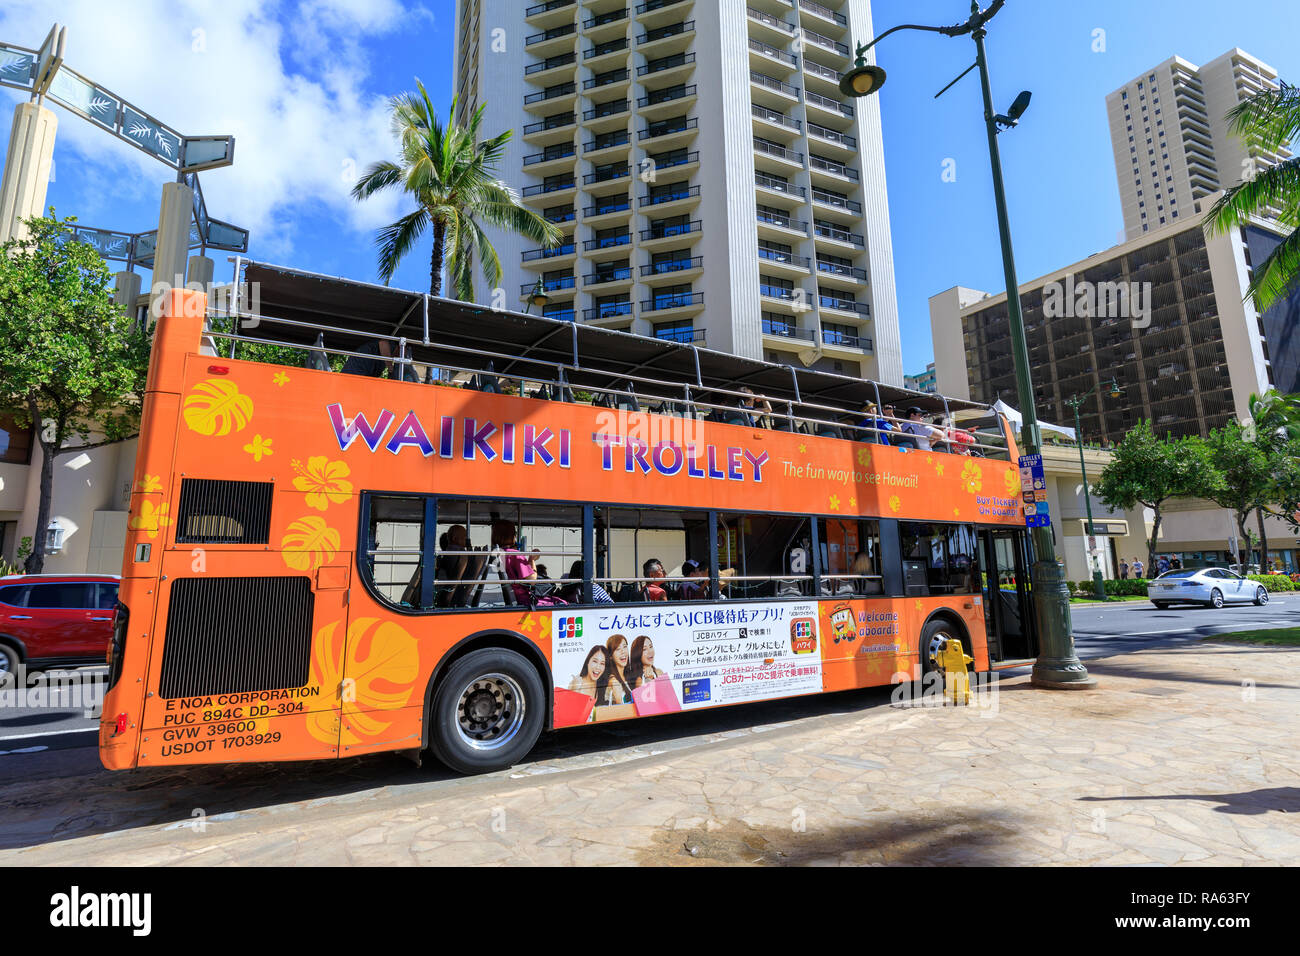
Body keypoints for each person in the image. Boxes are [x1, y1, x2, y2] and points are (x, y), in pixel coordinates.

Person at [493, 519, 565, 605]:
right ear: (511, 536)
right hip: (524, 599)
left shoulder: (496, 554)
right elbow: (532, 580)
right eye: (514, 533)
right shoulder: (514, 554)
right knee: (561, 602)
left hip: (511, 597)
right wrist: (532, 559)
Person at [600, 635, 634, 705]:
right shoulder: (614, 681)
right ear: (611, 656)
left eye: (625, 647)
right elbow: (621, 708)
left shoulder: (628, 676)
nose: (623, 652)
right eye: (618, 649)